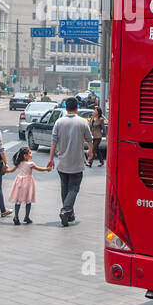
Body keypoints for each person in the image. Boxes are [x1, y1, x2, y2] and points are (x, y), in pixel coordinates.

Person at [47, 97, 93, 226]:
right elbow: (90, 139)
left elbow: (53, 142)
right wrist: (90, 152)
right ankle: (66, 210)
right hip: (77, 163)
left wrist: (51, 159)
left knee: (65, 189)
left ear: (65, 108)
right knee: (73, 188)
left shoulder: (59, 122)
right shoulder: (83, 122)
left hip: (62, 162)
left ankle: (69, 214)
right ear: (77, 108)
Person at [7, 145, 51, 225]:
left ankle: (16, 217)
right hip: (27, 182)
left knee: (18, 200)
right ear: (25, 156)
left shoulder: (19, 163)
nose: (31, 154)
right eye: (30, 153)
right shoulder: (30, 164)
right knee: (28, 199)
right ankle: (26, 217)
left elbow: (12, 170)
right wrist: (47, 169)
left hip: (19, 182)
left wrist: (6, 170)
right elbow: (39, 169)